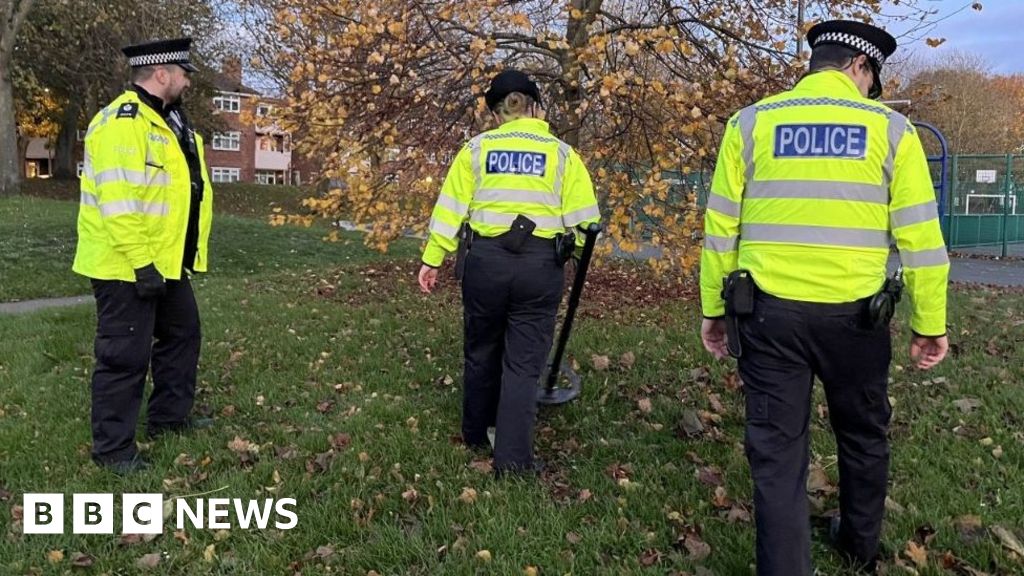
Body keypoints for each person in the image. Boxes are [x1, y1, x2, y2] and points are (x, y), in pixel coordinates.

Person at [699, 20, 949, 575]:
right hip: (856, 320)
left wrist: (713, 311)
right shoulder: (892, 132)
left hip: (768, 316)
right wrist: (930, 323)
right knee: (862, 432)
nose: (870, 92)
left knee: (776, 450)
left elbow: (720, 231)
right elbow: (921, 240)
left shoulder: (750, 124)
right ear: (860, 66)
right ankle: (859, 545)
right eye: (871, 80)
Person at [417, 69, 601, 476]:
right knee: (523, 363)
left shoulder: (476, 150)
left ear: (497, 112)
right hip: (540, 267)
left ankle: (476, 433)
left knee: (481, 347)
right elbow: (587, 222)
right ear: (534, 106)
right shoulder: (562, 155)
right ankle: (514, 461)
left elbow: (449, 209)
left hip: (485, 264)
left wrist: (433, 258)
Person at [73, 38, 214, 474]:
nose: (188, 81)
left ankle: (169, 420)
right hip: (126, 265)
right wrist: (141, 262)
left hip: (165, 263)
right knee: (124, 354)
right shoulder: (121, 123)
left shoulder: (170, 124)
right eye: (184, 73)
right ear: (162, 73)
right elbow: (118, 201)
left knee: (183, 334)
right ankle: (113, 450)